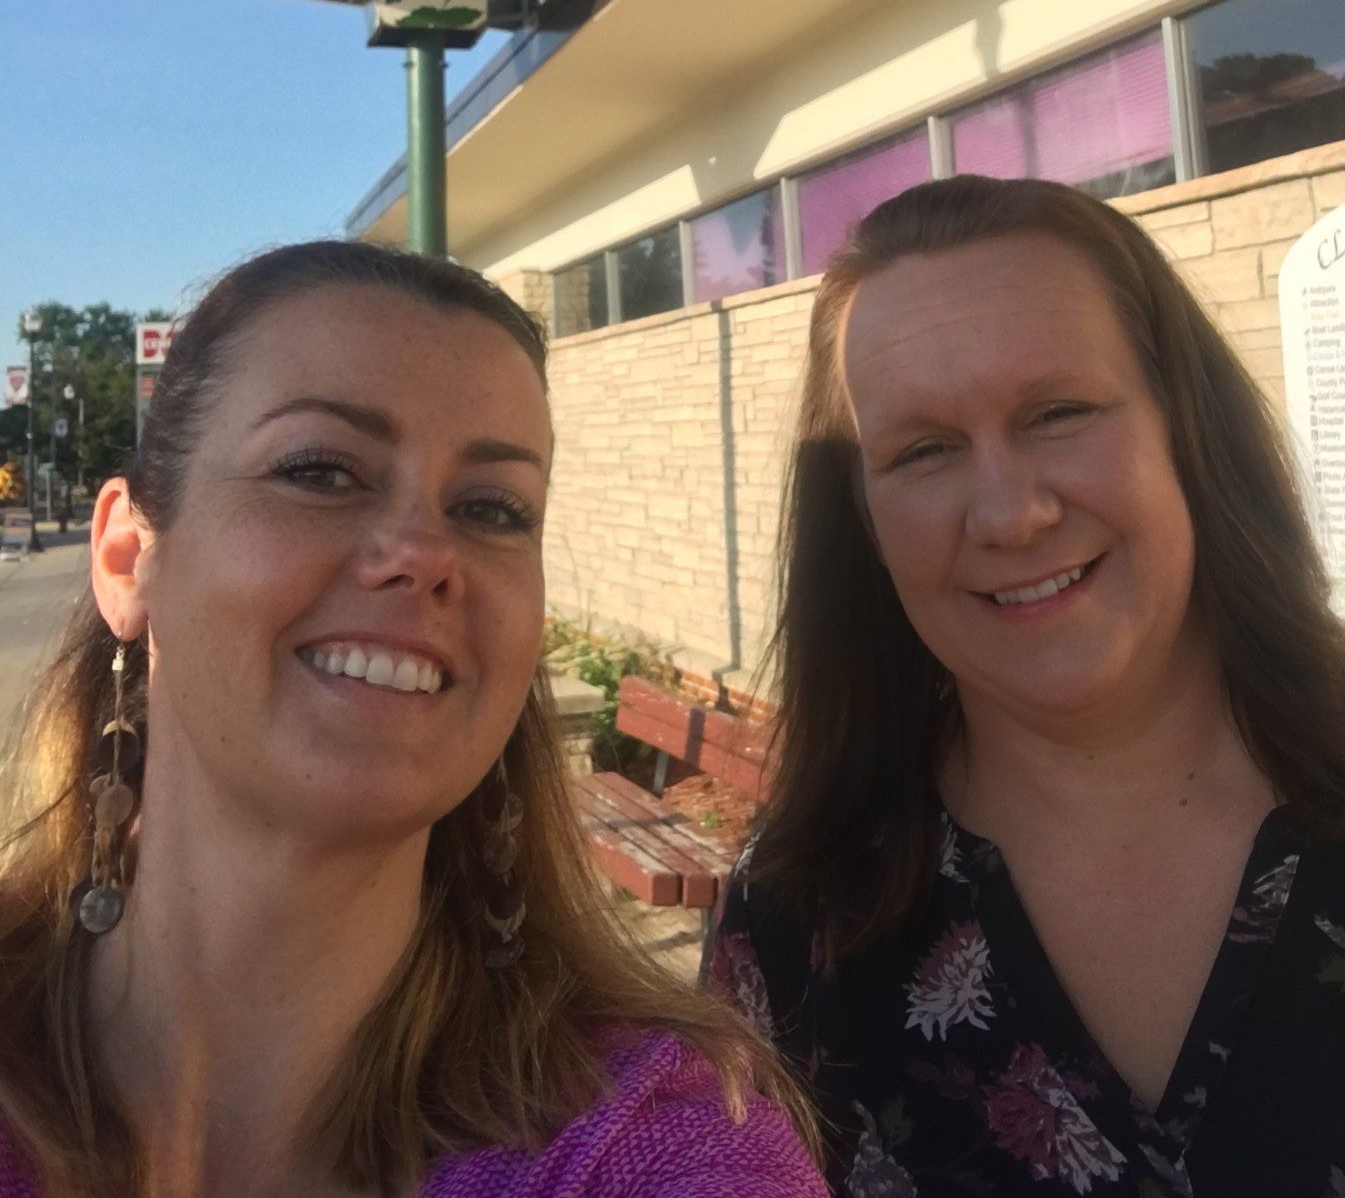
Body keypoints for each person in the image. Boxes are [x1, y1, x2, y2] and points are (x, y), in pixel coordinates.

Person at [0, 242, 822, 1198]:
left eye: (493, 508)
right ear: (127, 558)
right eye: (320, 471)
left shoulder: (664, 1147)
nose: (425, 553)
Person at [706, 175, 1345, 1196]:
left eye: (1057, 412)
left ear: (1186, 429)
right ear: (863, 524)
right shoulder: (796, 915)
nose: (1009, 513)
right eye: (923, 451)